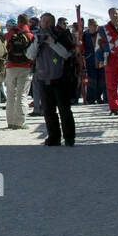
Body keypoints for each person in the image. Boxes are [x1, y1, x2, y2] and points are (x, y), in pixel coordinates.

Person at [30, 12, 79, 146]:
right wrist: (37, 43)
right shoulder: (36, 36)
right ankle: (53, 137)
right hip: (43, 77)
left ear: (53, 23)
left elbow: (66, 54)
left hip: (60, 78)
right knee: (48, 110)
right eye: (43, 21)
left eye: (47, 21)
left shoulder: (61, 35)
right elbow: (30, 55)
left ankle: (69, 137)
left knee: (64, 110)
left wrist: (51, 42)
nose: (45, 24)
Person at [3, 14, 34, 129]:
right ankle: (20, 122)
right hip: (25, 67)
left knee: (11, 94)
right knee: (22, 95)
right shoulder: (30, 35)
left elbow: (3, 47)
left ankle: (10, 121)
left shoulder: (11, 34)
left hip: (10, 66)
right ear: (28, 22)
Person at [82, 18, 105, 104]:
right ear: (89, 26)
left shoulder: (100, 34)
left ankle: (98, 97)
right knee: (91, 80)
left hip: (100, 59)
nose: (95, 27)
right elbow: (82, 47)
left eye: (96, 25)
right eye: (94, 25)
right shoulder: (85, 35)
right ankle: (90, 98)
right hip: (90, 59)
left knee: (101, 80)